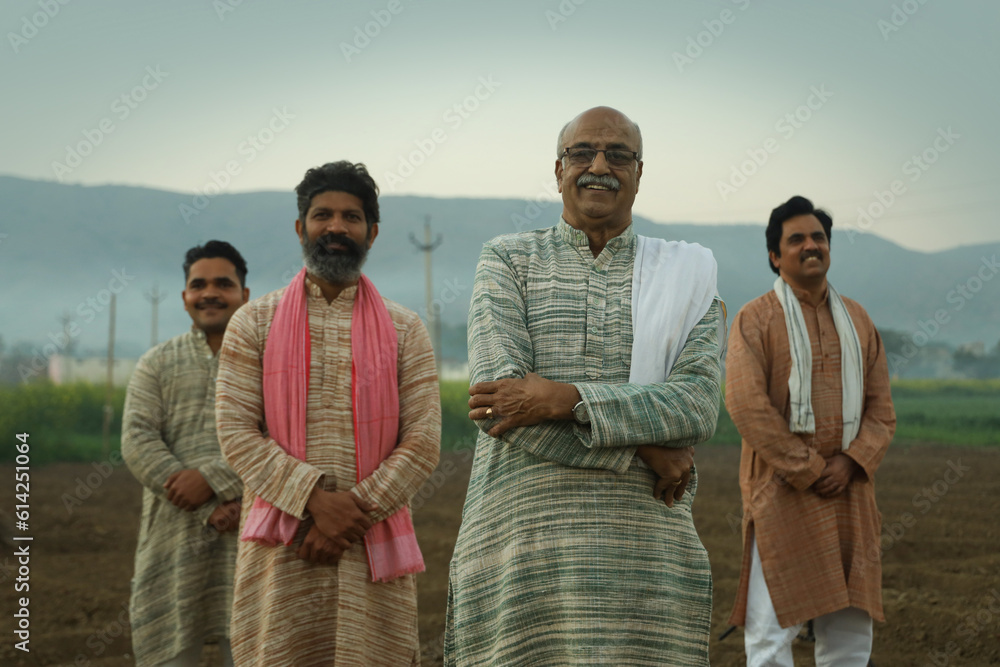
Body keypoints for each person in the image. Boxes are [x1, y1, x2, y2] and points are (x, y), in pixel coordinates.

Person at [444, 107, 724, 666]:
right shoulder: (508, 260)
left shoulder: (687, 276)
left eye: (618, 155)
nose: (600, 166)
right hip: (520, 550)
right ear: (558, 169)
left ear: (640, 173)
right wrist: (645, 449)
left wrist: (565, 399)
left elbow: (696, 406)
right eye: (583, 153)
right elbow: (499, 409)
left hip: (644, 555)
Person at [215, 161, 441, 666]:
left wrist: (347, 517)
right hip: (283, 546)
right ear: (301, 228)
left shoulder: (406, 330)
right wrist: (314, 499)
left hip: (369, 546)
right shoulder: (254, 322)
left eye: (351, 217)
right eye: (322, 215)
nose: (336, 227)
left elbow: (423, 442)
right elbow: (237, 433)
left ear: (372, 233)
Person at [725, 195, 896, 666]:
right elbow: (745, 404)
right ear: (775, 257)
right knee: (771, 631)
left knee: (849, 631)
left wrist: (849, 463)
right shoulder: (755, 319)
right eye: (796, 239)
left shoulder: (859, 321)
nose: (810, 246)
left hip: (849, 494)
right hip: (781, 494)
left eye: (818, 237)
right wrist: (809, 467)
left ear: (829, 248)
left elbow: (882, 412)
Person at [122, 240, 249, 666]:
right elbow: (137, 440)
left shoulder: (268, 360)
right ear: (184, 297)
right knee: (171, 649)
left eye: (223, 283)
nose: (210, 292)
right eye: (199, 284)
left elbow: (281, 438)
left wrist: (214, 480)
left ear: (244, 295)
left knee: (255, 647)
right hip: (171, 538)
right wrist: (205, 506)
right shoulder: (156, 363)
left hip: (251, 532)